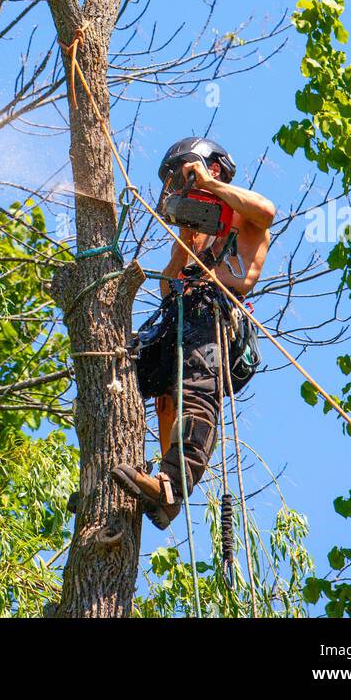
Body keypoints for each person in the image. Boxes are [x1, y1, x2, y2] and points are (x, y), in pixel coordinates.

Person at [112, 137, 276, 529]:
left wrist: (209, 184)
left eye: (182, 176)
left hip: (213, 317)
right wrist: (186, 240)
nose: (177, 187)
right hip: (180, 314)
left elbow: (267, 211)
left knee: (195, 396)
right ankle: (119, 484)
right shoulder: (196, 232)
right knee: (128, 372)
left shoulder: (244, 216)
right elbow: (168, 285)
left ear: (210, 168)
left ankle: (173, 484)